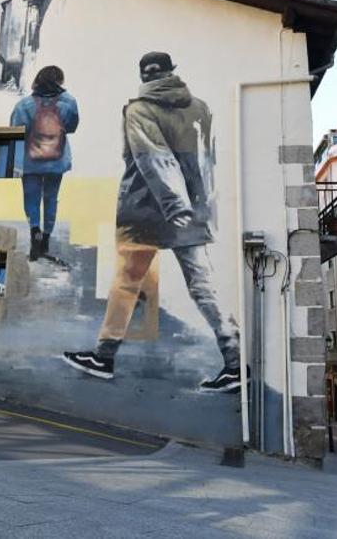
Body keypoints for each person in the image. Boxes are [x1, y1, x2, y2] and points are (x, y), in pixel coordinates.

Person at [62, 52, 242, 393]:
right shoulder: (201, 108)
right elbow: (207, 162)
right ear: (173, 72)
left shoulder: (138, 110)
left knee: (127, 283)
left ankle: (104, 357)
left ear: (143, 77)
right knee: (203, 285)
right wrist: (201, 209)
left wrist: (175, 206)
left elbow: (153, 158)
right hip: (192, 208)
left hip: (146, 210)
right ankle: (235, 362)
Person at [10, 65, 79, 260]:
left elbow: (15, 132)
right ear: (60, 81)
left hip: (30, 161)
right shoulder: (69, 103)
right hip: (56, 160)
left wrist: (13, 164)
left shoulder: (24, 105)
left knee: (31, 199)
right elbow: (72, 127)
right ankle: (46, 238)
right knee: (51, 198)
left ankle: (35, 234)